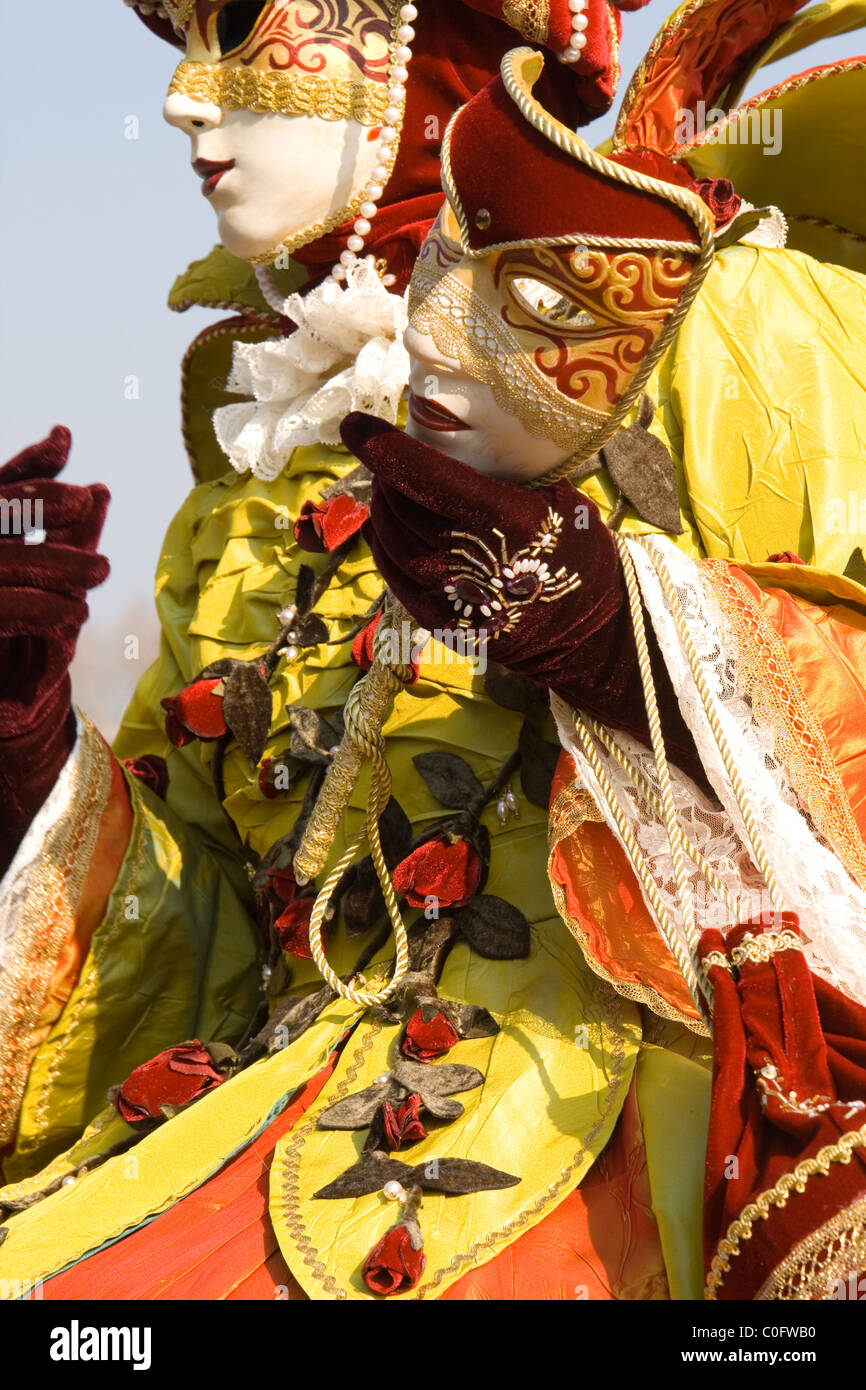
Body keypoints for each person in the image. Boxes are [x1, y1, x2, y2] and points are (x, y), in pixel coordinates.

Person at [0, 0, 864, 1300]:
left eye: (236, 24)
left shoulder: (724, 321)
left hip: (635, 1144)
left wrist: (630, 636)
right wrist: (33, 748)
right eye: (171, 42)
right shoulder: (256, 473)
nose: (184, 99)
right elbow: (217, 956)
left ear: (427, 33)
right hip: (274, 1137)